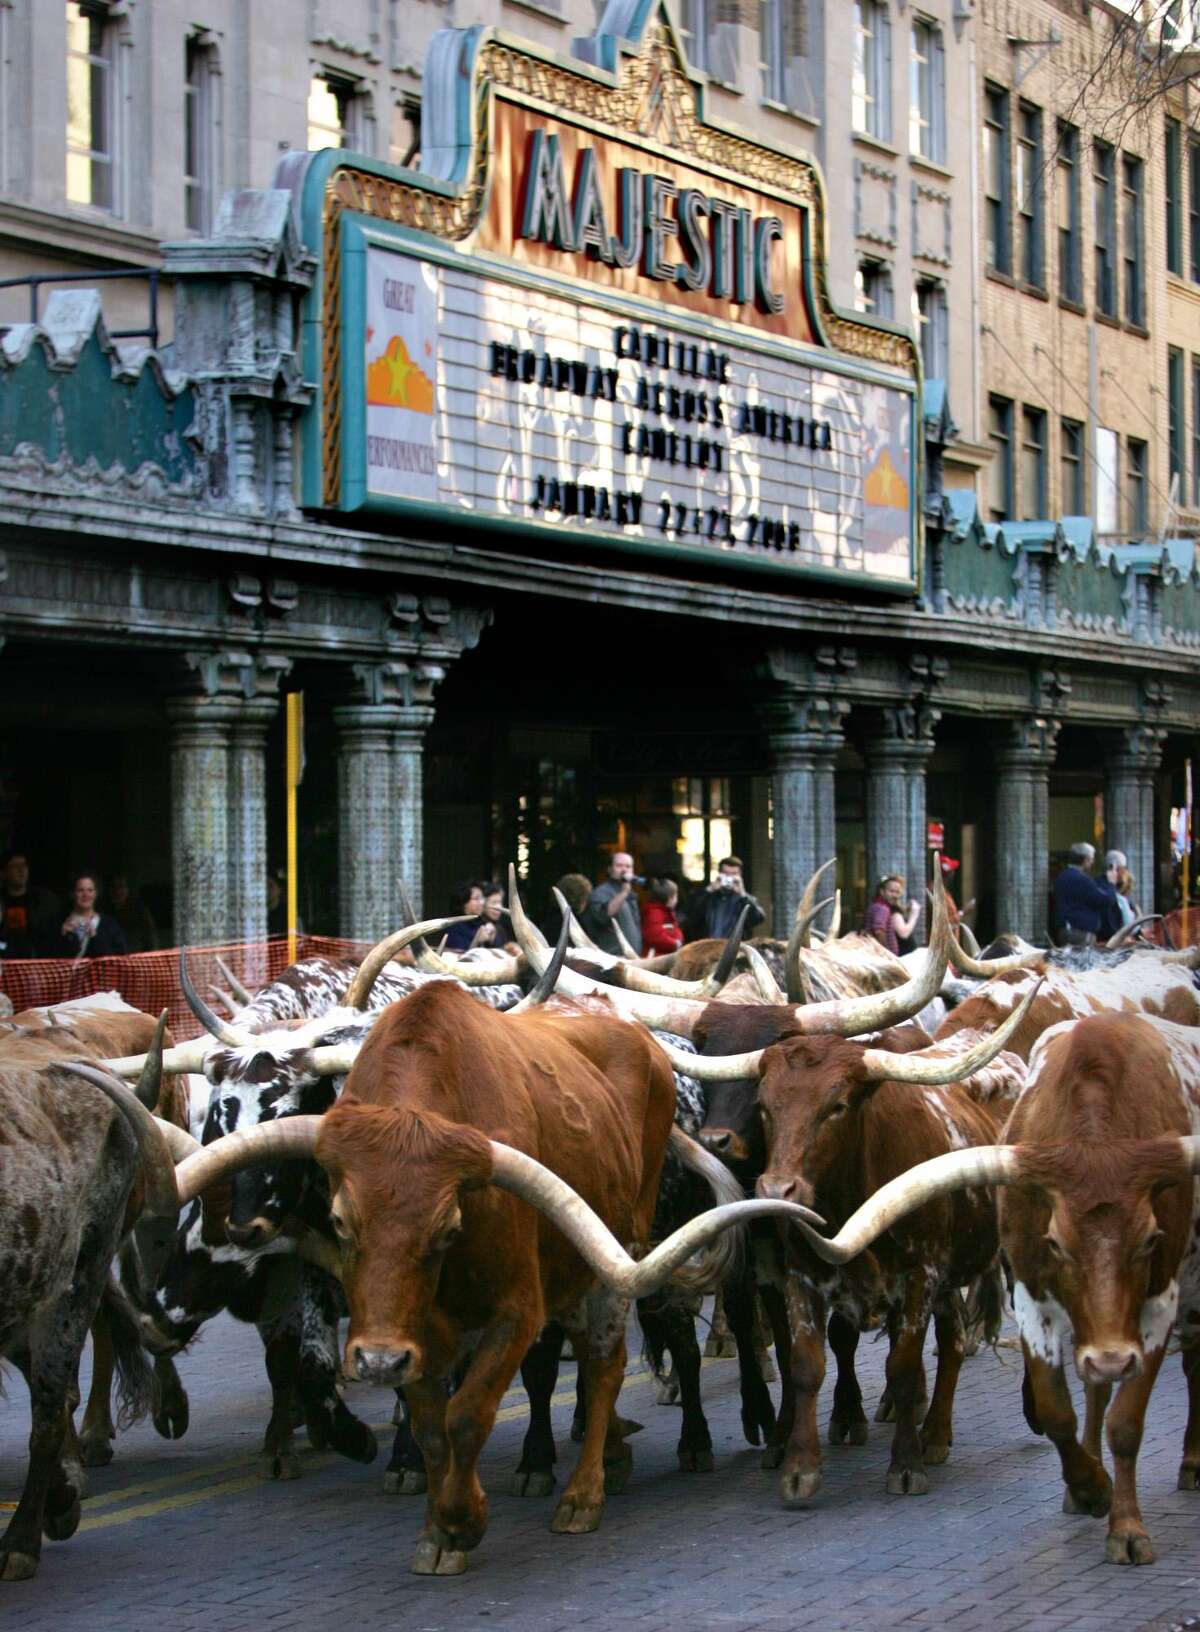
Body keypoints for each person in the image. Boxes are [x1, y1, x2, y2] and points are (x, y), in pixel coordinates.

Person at [1051, 842, 1123, 943]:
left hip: (1066, 929)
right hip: (1080, 932)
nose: (1092, 862)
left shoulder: (1062, 876)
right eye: (1092, 859)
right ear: (1085, 860)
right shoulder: (1082, 880)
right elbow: (1105, 900)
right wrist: (1111, 883)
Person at [685, 855, 766, 943]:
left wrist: (743, 894)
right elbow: (691, 914)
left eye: (734, 874)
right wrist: (708, 890)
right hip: (707, 947)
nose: (729, 878)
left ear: (740, 876)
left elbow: (758, 918)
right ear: (719, 874)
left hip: (732, 948)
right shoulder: (708, 896)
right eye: (726, 873)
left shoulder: (744, 899)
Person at [581, 851, 643, 955]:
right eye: (619, 866)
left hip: (632, 958)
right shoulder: (600, 893)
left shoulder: (631, 894)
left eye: (628, 867)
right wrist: (624, 892)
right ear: (609, 869)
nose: (624, 870)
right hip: (612, 959)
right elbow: (603, 915)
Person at [56, 873, 128, 958]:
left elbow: (119, 957)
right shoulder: (58, 922)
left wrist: (95, 937)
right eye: (80, 890)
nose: (85, 895)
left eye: (90, 890)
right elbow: (47, 957)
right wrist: (62, 935)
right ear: (72, 894)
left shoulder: (109, 925)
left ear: (95, 894)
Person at [0, 850, 57, 958]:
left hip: (35, 959)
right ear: (3, 873)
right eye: (15, 866)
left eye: (24, 865)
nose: (21, 870)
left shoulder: (43, 900)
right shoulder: (1, 900)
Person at [865, 875, 920, 955]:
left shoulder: (876, 905)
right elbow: (878, 931)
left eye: (897, 892)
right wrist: (884, 953)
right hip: (889, 957)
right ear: (882, 891)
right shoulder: (883, 908)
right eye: (891, 891)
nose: (895, 895)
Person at [106, 872, 159, 953]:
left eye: (121, 887)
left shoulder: (140, 912)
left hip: (136, 959)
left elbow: (150, 939)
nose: (118, 891)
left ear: (127, 889)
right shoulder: (105, 914)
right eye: (114, 887)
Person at [641, 877, 685, 956]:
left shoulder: (667, 912)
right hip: (655, 958)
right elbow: (655, 936)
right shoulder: (654, 913)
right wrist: (674, 943)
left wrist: (678, 940)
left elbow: (675, 929)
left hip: (665, 955)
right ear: (670, 898)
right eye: (676, 896)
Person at [472, 881, 519, 954]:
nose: (499, 907)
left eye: (500, 902)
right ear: (483, 903)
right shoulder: (474, 926)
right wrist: (477, 941)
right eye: (494, 902)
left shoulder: (502, 927)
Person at [442, 880, 486, 952]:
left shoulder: (480, 922)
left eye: (482, 898)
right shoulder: (454, 928)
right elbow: (460, 955)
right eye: (476, 898)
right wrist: (477, 940)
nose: (482, 902)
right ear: (464, 902)